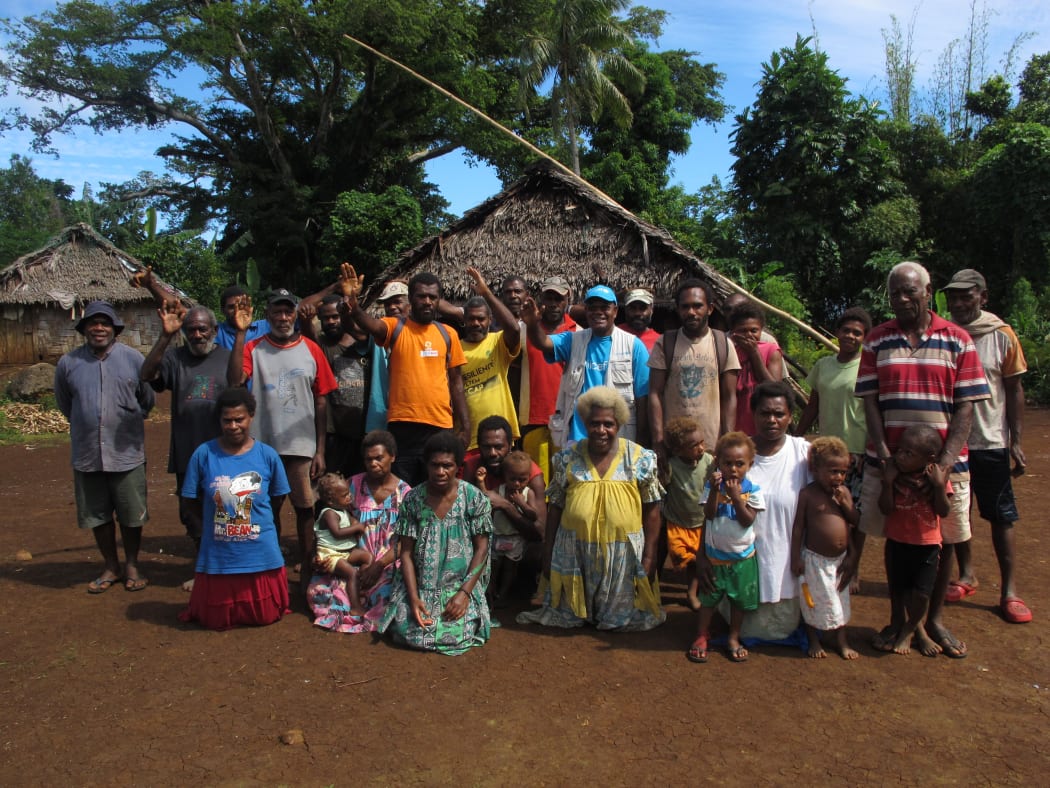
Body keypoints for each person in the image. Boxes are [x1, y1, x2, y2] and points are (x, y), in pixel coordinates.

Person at [856, 261, 990, 659]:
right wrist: (885, 458)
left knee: (944, 541)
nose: (901, 299)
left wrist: (945, 464)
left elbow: (966, 407)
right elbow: (871, 404)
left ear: (928, 291)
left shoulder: (958, 339)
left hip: (946, 467)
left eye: (909, 292)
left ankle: (933, 620)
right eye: (895, 293)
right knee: (896, 541)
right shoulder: (877, 341)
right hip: (890, 464)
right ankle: (899, 618)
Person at [517, 386, 665, 631]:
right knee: (571, 616)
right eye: (595, 423)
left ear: (619, 424)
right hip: (574, 551)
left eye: (608, 424)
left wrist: (650, 555)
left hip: (623, 554)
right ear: (585, 423)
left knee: (620, 620)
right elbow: (555, 507)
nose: (601, 430)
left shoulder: (639, 458)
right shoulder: (568, 458)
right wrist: (548, 549)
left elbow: (652, 509)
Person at [943, 269, 1031, 623]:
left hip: (991, 440)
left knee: (1000, 516)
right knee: (957, 513)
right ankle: (966, 575)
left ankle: (1009, 591)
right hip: (953, 444)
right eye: (954, 297)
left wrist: (1016, 441)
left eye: (967, 296)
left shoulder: (1002, 336)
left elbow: (1014, 389)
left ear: (983, 297)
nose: (960, 303)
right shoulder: (944, 334)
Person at [227, 288, 337, 570]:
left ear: (295, 315)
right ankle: (270, 564)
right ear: (268, 315)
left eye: (288, 311)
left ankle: (307, 565)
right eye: (277, 311)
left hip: (302, 447)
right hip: (263, 447)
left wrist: (320, 449)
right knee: (266, 509)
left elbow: (322, 400)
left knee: (305, 508)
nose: (283, 317)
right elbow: (234, 381)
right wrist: (240, 333)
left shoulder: (311, 349)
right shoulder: (254, 348)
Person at [696, 381, 811, 642]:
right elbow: (712, 511)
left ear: (790, 417)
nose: (772, 420)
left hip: (783, 570)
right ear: (753, 414)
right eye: (764, 413)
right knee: (736, 616)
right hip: (732, 563)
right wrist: (702, 555)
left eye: (779, 414)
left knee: (779, 628)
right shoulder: (734, 453)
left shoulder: (803, 454)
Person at [54, 300, 155, 594]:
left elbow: (146, 400)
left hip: (126, 453)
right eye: (93, 323)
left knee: (130, 512)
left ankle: (132, 563)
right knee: (97, 514)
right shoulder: (69, 364)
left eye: (105, 323)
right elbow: (66, 404)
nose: (99, 328)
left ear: (115, 329)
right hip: (87, 453)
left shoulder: (133, 359)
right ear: (84, 329)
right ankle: (111, 565)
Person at [343, 264, 470, 486]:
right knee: (403, 492)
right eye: (422, 296)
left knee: (438, 490)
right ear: (411, 299)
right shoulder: (395, 327)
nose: (428, 301)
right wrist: (354, 306)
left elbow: (457, 383)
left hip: (440, 425)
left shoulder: (448, 334)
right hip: (403, 426)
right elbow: (370, 325)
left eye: (433, 297)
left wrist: (466, 426)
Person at [178, 387, 290, 630]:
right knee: (214, 621)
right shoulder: (203, 454)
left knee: (265, 617)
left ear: (251, 416)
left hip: (260, 555)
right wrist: (213, 527)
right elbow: (189, 499)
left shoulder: (268, 455)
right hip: (219, 555)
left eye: (239, 419)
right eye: (226, 420)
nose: (233, 426)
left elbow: (277, 499)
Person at [140, 299, 230, 592]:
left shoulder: (229, 357)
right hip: (187, 452)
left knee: (226, 510)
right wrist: (166, 336)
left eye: (202, 329)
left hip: (223, 453)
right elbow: (146, 375)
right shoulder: (175, 358)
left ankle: (227, 570)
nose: (197, 335)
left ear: (214, 330)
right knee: (192, 514)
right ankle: (203, 570)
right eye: (191, 330)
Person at [379, 431, 493, 655]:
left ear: (458, 465)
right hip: (421, 587)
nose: (440, 472)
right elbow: (406, 554)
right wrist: (413, 598)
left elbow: (482, 548)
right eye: (435, 465)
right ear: (426, 465)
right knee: (407, 630)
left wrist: (463, 595)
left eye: (447, 465)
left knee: (457, 634)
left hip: (459, 587)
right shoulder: (413, 499)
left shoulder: (474, 498)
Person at [308, 430, 412, 633]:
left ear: (393, 456)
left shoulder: (407, 494)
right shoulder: (351, 486)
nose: (374, 464)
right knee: (325, 594)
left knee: (394, 597)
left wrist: (379, 565)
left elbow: (406, 541)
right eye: (368, 459)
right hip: (351, 558)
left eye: (379, 458)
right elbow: (331, 521)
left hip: (387, 564)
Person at [523, 285, 649, 449]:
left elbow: (643, 400)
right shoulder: (573, 340)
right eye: (592, 308)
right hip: (577, 440)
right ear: (586, 311)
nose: (598, 312)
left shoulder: (633, 346)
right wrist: (533, 324)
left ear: (616, 311)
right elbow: (543, 342)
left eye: (604, 307)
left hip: (618, 440)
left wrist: (640, 446)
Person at [688, 432, 764, 663]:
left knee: (739, 601)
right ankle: (702, 635)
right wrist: (714, 491)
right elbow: (708, 514)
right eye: (727, 463)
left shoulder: (753, 490)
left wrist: (737, 498)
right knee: (708, 598)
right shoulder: (712, 487)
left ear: (750, 464)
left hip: (742, 558)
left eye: (739, 464)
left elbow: (747, 520)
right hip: (714, 558)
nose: (733, 469)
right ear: (717, 462)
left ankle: (733, 636)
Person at [649, 278, 740, 471]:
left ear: (710, 308)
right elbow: (654, 393)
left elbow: (729, 396)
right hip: (674, 447)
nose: (691, 312)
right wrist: (658, 441)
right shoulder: (665, 343)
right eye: (685, 307)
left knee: (711, 497)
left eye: (698, 306)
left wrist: (727, 438)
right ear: (678, 309)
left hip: (711, 446)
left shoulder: (723, 343)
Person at [876, 425, 951, 656]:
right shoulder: (895, 474)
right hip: (897, 541)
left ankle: (912, 629)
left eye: (909, 453)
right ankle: (901, 625)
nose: (900, 456)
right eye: (900, 450)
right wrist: (887, 483)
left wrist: (938, 487)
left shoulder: (935, 477)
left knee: (921, 594)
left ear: (929, 458)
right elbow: (885, 509)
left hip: (926, 544)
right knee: (898, 589)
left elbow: (944, 510)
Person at [790, 437, 860, 660]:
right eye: (832, 471)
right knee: (813, 601)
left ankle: (841, 640)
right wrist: (795, 558)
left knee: (840, 599)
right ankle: (813, 639)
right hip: (815, 561)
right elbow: (799, 528)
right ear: (815, 469)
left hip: (839, 560)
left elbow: (854, 523)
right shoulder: (808, 495)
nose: (838, 477)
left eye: (842, 472)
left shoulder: (844, 493)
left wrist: (846, 505)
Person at [519, 276, 578, 483]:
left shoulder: (578, 333)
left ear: (567, 300)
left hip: (567, 423)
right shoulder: (524, 329)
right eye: (549, 298)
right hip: (532, 420)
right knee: (535, 483)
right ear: (540, 298)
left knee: (565, 483)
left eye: (558, 299)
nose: (553, 304)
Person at [458, 267, 522, 452]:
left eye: (481, 319)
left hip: (501, 437)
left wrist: (486, 293)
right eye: (471, 319)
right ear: (464, 320)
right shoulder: (455, 347)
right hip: (467, 439)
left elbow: (515, 329)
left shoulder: (497, 342)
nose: (476, 323)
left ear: (489, 320)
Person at [661, 416, 713, 610]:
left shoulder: (709, 462)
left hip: (701, 522)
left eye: (702, 442)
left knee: (696, 561)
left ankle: (692, 593)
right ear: (677, 450)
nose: (700, 448)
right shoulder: (672, 466)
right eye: (693, 445)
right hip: (678, 522)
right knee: (681, 555)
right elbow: (663, 486)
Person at [477, 450, 541, 608]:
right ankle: (491, 592)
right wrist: (480, 481)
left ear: (528, 477)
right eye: (513, 479)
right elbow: (486, 496)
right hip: (498, 535)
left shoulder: (528, 493)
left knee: (510, 567)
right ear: (505, 476)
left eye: (522, 479)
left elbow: (533, 515)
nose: (517, 483)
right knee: (494, 565)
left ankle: (503, 595)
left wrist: (521, 503)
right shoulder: (500, 490)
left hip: (515, 538)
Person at [313, 472, 373, 616]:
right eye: (344, 495)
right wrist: (357, 527)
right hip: (330, 554)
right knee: (351, 573)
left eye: (348, 493)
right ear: (331, 500)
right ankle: (355, 606)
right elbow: (337, 532)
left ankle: (362, 584)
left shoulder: (342, 510)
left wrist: (354, 522)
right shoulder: (329, 513)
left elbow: (351, 521)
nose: (349, 497)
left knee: (368, 557)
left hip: (344, 552)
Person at [729, 302, 784, 437]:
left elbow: (774, 388)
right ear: (733, 331)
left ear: (761, 330)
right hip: (737, 425)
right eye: (743, 330)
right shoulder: (728, 351)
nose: (749, 335)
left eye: (754, 330)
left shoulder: (771, 350)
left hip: (763, 426)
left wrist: (754, 354)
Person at [215, 285, 270, 350]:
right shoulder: (216, 331)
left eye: (241, 306)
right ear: (223, 310)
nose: (237, 311)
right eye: (232, 307)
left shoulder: (266, 326)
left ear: (249, 307)